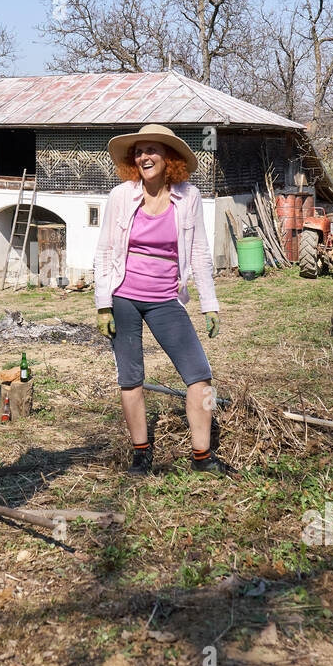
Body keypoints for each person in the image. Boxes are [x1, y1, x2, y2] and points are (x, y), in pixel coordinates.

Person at [93, 124, 232, 475]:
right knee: (130, 377)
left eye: (152, 150)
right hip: (123, 296)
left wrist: (209, 303)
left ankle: (202, 456)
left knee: (200, 376)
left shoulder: (189, 197)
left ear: (169, 158)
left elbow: (199, 252)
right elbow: (105, 250)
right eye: (139, 152)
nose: (144, 157)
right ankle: (141, 454)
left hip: (166, 299)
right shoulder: (121, 196)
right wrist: (103, 303)